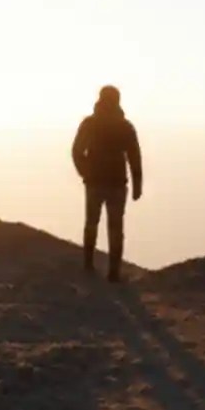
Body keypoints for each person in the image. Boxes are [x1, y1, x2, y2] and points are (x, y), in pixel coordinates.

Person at [72, 85, 143, 282]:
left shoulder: (91, 123)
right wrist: (137, 185)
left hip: (97, 183)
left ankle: (89, 266)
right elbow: (134, 157)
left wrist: (86, 171)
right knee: (115, 228)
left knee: (92, 224)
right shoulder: (124, 126)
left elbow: (77, 151)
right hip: (115, 184)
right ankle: (113, 272)